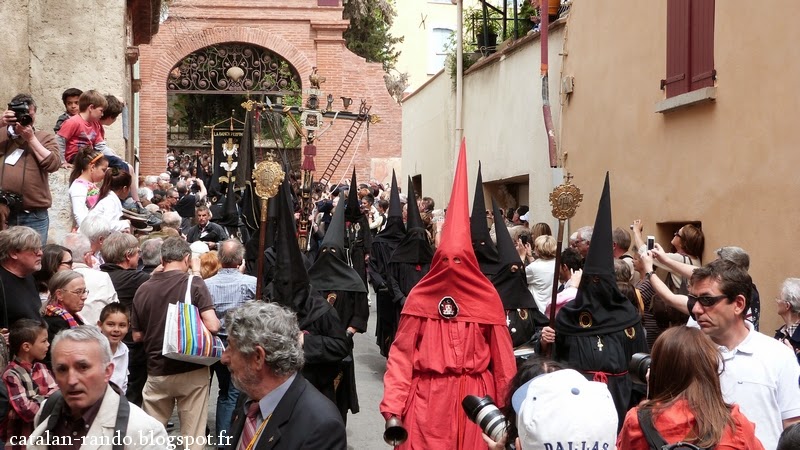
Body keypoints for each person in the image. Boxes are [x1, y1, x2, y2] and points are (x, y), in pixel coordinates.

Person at [380, 140, 517, 449]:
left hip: (478, 404)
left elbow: (504, 363)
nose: (451, 268)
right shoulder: (420, 297)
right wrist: (394, 409)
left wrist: (509, 412)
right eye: (445, 260)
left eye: (459, 261)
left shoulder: (487, 298)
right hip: (428, 404)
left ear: (469, 262)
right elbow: (401, 357)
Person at [553, 174, 648, 429]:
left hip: (620, 397)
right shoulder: (569, 317)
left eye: (601, 282)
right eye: (591, 281)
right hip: (577, 401)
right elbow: (556, 361)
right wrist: (545, 341)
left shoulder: (627, 317)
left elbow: (639, 360)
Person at [687, 259, 800, 449]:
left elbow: (792, 427)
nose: (696, 309)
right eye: (693, 300)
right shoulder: (686, 354)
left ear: (738, 304)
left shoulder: (778, 356)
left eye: (707, 300)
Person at [131, 237, 220, 450]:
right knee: (193, 436)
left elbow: (136, 336)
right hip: (191, 368)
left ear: (162, 259)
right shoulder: (193, 282)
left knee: (150, 437)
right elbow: (213, 325)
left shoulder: (143, 288)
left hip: (157, 370)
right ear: (187, 258)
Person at [224, 301, 346, 449]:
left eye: (231, 347)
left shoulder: (321, 425)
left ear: (258, 358)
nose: (224, 358)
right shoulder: (249, 397)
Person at [617, 326, 763, 450]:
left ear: (658, 371)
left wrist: (651, 395)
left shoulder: (637, 422)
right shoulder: (735, 424)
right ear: (710, 370)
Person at [27, 326, 169, 450]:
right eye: (62, 369)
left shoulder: (144, 431)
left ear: (108, 371)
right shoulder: (47, 411)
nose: (71, 380)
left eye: (83, 367)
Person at [307, 196, 369, 422]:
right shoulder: (310, 281)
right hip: (313, 347)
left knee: (338, 394)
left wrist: (348, 332)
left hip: (341, 345)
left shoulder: (353, 283)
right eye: (325, 252)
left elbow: (360, 314)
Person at [204, 239, 256, 444]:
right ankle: (224, 442)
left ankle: (220, 438)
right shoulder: (251, 283)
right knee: (230, 394)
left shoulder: (206, 284)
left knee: (220, 392)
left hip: (213, 345)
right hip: (236, 346)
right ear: (240, 259)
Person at [491, 200, 550, 351]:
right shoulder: (489, 302)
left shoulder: (527, 303)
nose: (516, 274)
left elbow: (540, 327)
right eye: (511, 271)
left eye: (518, 270)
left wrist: (544, 337)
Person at [99, 232, 150, 406]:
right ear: (128, 256)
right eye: (137, 253)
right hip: (131, 348)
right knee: (130, 400)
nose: (139, 256)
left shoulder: (97, 276)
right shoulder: (138, 279)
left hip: (104, 344)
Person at [0, 94, 60, 240]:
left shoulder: (44, 137)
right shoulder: (1, 133)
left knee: (34, 258)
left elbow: (53, 164)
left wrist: (31, 139)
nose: (24, 118)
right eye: (19, 114)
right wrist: (0, 123)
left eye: (29, 115)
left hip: (33, 214)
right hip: (3, 212)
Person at [1, 319, 58, 449]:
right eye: (44, 341)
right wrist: (48, 400)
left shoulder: (42, 368)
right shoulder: (11, 374)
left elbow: (58, 397)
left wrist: (34, 400)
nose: (48, 344)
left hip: (42, 443)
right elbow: (27, 411)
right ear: (26, 346)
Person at [369, 171, 406, 357]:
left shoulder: (407, 243)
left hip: (402, 289)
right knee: (388, 323)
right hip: (385, 291)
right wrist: (381, 284)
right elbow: (373, 267)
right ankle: (388, 352)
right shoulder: (378, 242)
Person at [62, 232, 119, 325]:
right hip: (96, 333)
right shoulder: (102, 277)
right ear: (87, 256)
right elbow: (115, 309)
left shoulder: (56, 278)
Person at [41, 270, 87, 367]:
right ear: (59, 295)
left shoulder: (73, 318)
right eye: (78, 292)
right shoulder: (54, 323)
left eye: (84, 291)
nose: (84, 297)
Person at [0, 226, 44, 324]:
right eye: (34, 250)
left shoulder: (29, 276)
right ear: (13, 253)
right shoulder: (2, 282)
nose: (40, 253)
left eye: (40, 248)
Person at [470, 163, 502, 278]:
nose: (478, 247)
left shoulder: (499, 268)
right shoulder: (465, 267)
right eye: (473, 244)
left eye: (482, 243)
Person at [69, 148, 109, 228]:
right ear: (93, 167)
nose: (105, 174)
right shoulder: (78, 186)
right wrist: (90, 233)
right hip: (88, 234)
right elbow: (79, 214)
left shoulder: (90, 185)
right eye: (103, 170)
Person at [84, 167, 133, 232]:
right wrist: (125, 223)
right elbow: (109, 225)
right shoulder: (110, 202)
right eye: (129, 188)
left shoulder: (109, 199)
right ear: (125, 189)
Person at [97, 302, 130, 394]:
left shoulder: (124, 350)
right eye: (111, 324)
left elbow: (123, 382)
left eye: (122, 325)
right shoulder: (94, 350)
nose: (116, 329)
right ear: (100, 325)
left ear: (128, 327)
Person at [525, 235, 557, 314]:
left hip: (539, 309)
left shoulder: (533, 267)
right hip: (555, 307)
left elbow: (520, 277)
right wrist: (529, 256)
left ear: (537, 249)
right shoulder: (558, 263)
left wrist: (522, 256)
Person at [775, 277, 800, 362]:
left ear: (787, 306)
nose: (777, 301)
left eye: (779, 298)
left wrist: (793, 359)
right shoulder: (781, 333)